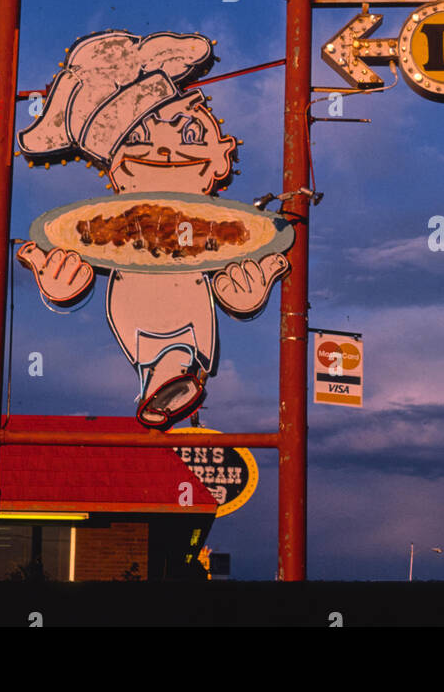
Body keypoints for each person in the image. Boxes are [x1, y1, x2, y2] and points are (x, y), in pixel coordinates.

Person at [16, 30, 290, 430]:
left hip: (191, 299)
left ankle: (173, 369)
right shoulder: (101, 231)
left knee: (179, 336)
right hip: (137, 301)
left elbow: (238, 277)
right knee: (161, 332)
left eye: (190, 133)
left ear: (223, 156)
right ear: (114, 170)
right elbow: (72, 260)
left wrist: (243, 291)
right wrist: (61, 280)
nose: (165, 152)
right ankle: (166, 372)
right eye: (140, 141)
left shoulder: (222, 231)